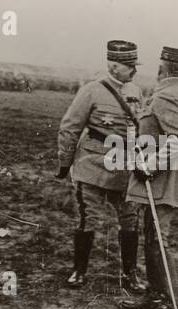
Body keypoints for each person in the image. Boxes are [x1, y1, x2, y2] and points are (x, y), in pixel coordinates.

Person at [56, 40, 147, 291]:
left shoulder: (137, 92)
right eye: (129, 66)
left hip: (125, 166)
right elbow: (70, 127)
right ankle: (79, 271)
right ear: (114, 66)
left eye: (133, 65)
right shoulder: (91, 91)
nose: (133, 70)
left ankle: (130, 275)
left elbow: (140, 128)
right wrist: (65, 162)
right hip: (93, 164)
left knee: (130, 220)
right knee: (89, 218)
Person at [122, 46, 178, 309]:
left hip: (163, 178)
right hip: (167, 177)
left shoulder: (165, 95)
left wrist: (150, 164)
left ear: (161, 70)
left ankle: (170, 305)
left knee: (158, 239)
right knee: (153, 236)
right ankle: (155, 296)